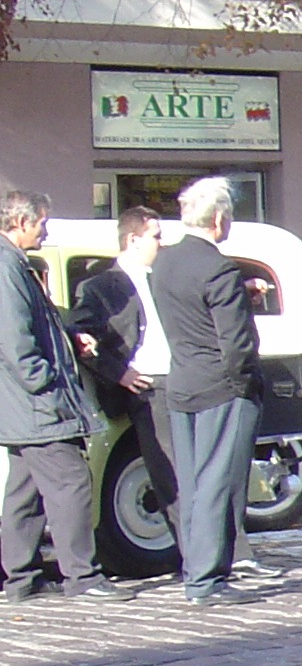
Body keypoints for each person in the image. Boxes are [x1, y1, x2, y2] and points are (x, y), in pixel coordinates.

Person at [1, 189, 130, 603]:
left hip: (24, 404)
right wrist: (46, 382)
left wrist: (70, 339)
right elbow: (16, 339)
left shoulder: (14, 264)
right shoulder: (7, 268)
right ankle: (82, 576)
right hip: (36, 402)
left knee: (25, 491)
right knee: (72, 482)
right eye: (41, 223)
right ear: (21, 223)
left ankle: (21, 577)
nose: (45, 231)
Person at [151, 177, 262, 605]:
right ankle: (206, 578)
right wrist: (243, 383)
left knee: (194, 482)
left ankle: (194, 570)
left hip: (182, 381)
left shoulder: (165, 262)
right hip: (221, 385)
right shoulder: (218, 268)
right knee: (218, 481)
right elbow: (235, 342)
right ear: (219, 219)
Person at [66, 208, 180, 539]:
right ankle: (199, 560)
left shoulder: (164, 279)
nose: (162, 242)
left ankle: (227, 553)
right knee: (170, 472)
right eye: (155, 236)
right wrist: (120, 373)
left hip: (183, 379)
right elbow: (81, 337)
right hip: (147, 386)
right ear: (132, 240)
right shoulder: (100, 286)